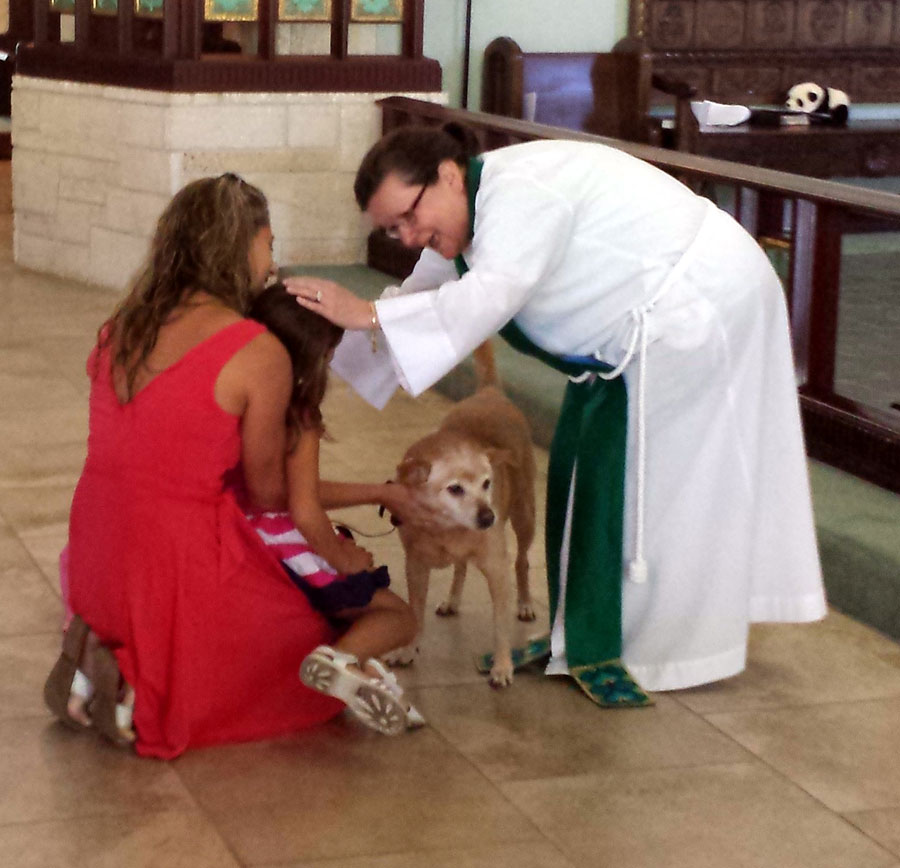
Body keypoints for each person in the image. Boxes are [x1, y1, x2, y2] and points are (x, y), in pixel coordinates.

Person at [285, 124, 828, 704]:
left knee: (663, 491)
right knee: (586, 474)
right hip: (634, 343)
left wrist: (366, 313)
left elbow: (490, 295)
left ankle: (666, 652)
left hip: (698, 307)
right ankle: (589, 636)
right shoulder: (467, 220)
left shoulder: (520, 193)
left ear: (448, 175)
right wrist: (316, 349)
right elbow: (419, 303)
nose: (410, 237)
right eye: (394, 230)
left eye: (410, 216)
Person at [44, 173, 417, 758]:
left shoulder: (123, 326)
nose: (272, 263)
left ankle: (104, 655)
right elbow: (267, 495)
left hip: (96, 547)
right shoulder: (255, 350)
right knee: (307, 636)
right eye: (268, 244)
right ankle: (141, 687)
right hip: (174, 562)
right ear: (240, 245)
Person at [245, 284, 422, 735]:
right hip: (284, 546)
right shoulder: (300, 415)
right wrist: (342, 557)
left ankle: (366, 673)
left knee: (349, 585)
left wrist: (378, 495)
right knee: (399, 617)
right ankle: (340, 661)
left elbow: (281, 490)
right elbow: (303, 509)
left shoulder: (244, 399)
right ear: (312, 357)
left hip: (243, 534)